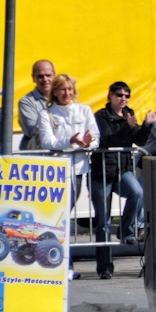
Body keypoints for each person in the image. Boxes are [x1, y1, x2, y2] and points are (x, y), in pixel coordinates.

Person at [38, 74, 100, 280]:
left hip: (78, 169)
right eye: (62, 89)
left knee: (65, 216)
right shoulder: (47, 114)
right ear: (54, 91)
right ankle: (61, 263)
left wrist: (87, 143)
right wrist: (70, 141)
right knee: (59, 217)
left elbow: (95, 138)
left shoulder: (84, 110)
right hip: (57, 171)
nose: (67, 93)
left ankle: (62, 261)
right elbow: (48, 141)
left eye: (70, 89)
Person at [91, 82, 155, 278]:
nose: (123, 99)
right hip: (102, 172)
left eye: (127, 95)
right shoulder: (101, 116)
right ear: (110, 95)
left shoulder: (129, 112)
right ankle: (105, 268)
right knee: (103, 222)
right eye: (119, 95)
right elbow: (109, 141)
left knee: (137, 192)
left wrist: (146, 125)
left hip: (122, 169)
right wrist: (127, 127)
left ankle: (125, 230)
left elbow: (139, 141)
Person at [18, 59, 55, 150]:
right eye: (40, 76)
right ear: (33, 78)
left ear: (54, 76)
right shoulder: (26, 102)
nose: (45, 79)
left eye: (48, 75)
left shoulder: (63, 99)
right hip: (36, 156)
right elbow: (34, 132)